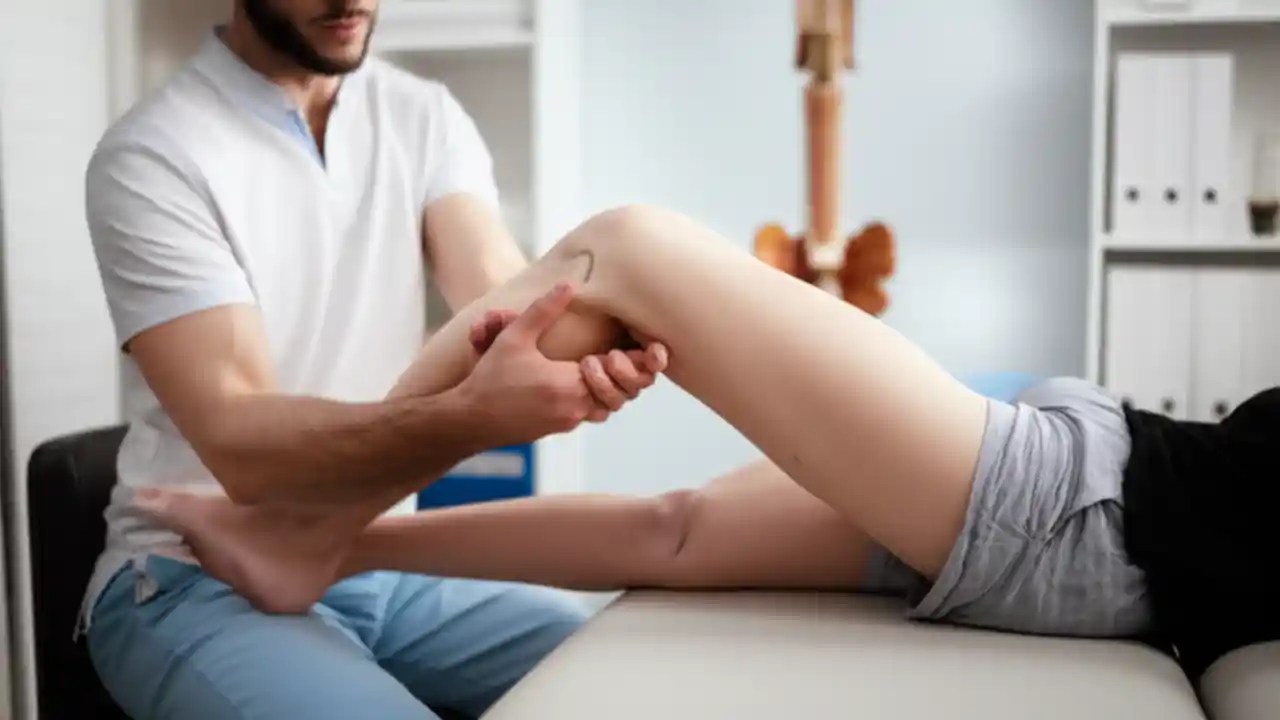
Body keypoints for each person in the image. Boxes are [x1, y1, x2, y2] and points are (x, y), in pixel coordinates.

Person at [140, 203, 1280, 689]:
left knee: (621, 249)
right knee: (670, 527)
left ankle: (313, 518)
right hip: (1107, 485)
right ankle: (342, 551)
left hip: (1088, 509)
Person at [81, 1, 669, 718]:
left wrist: (595, 344)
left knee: (631, 690)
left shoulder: (420, 114)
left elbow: (503, 302)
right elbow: (242, 446)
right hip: (194, 578)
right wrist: (468, 415)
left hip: (377, 559)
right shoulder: (157, 154)